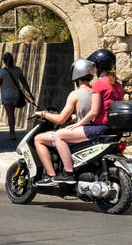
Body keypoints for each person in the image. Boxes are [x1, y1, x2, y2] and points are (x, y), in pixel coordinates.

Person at [45, 49, 124, 181]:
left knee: (59, 135)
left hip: (99, 127)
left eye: (94, 66)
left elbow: (94, 111)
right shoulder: (118, 85)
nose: (93, 69)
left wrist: (79, 123)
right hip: (112, 128)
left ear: (100, 66)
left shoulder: (99, 84)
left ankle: (68, 172)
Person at [32, 59, 97, 182]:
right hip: (91, 129)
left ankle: (50, 175)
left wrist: (44, 114)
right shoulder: (95, 92)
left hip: (81, 131)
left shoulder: (75, 94)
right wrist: (75, 117)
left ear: (76, 73)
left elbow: (61, 119)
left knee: (39, 139)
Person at [0, 51, 34, 141]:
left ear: (4, 61)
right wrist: (29, 93)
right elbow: (24, 82)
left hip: (6, 96)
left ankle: (12, 133)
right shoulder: (17, 70)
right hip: (15, 95)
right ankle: (12, 132)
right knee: (12, 114)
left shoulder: (2, 72)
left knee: (10, 115)